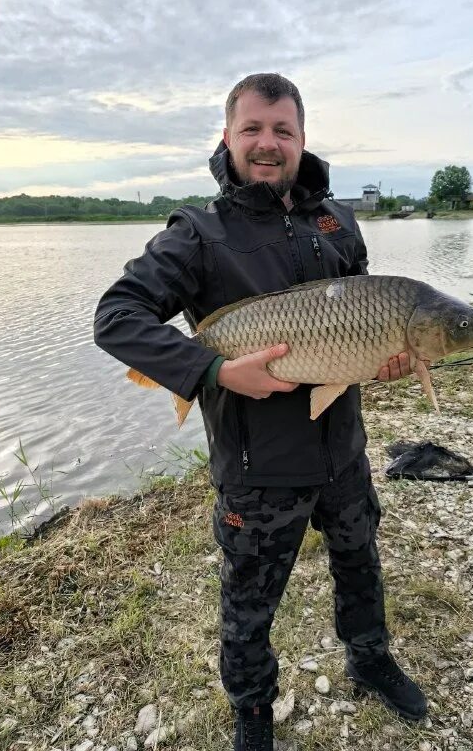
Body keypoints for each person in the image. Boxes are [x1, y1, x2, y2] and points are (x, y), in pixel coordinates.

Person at [94, 73, 427, 751]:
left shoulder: (338, 220)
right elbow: (116, 317)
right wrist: (212, 369)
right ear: (228, 137)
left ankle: (369, 658)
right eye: (253, 129)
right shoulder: (198, 233)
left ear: (302, 140)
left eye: (282, 131)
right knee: (248, 603)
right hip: (258, 469)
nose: (267, 144)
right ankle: (252, 712)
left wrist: (389, 356)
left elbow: (369, 319)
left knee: (360, 562)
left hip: (343, 451)